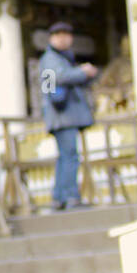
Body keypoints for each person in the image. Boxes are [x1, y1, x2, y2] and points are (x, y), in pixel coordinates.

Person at [39, 21, 98, 210]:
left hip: (62, 115)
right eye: (59, 35)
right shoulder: (50, 59)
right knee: (70, 156)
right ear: (52, 38)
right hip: (62, 115)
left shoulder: (62, 58)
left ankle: (59, 197)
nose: (64, 39)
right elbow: (58, 77)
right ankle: (71, 197)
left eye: (67, 35)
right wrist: (82, 71)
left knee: (65, 156)